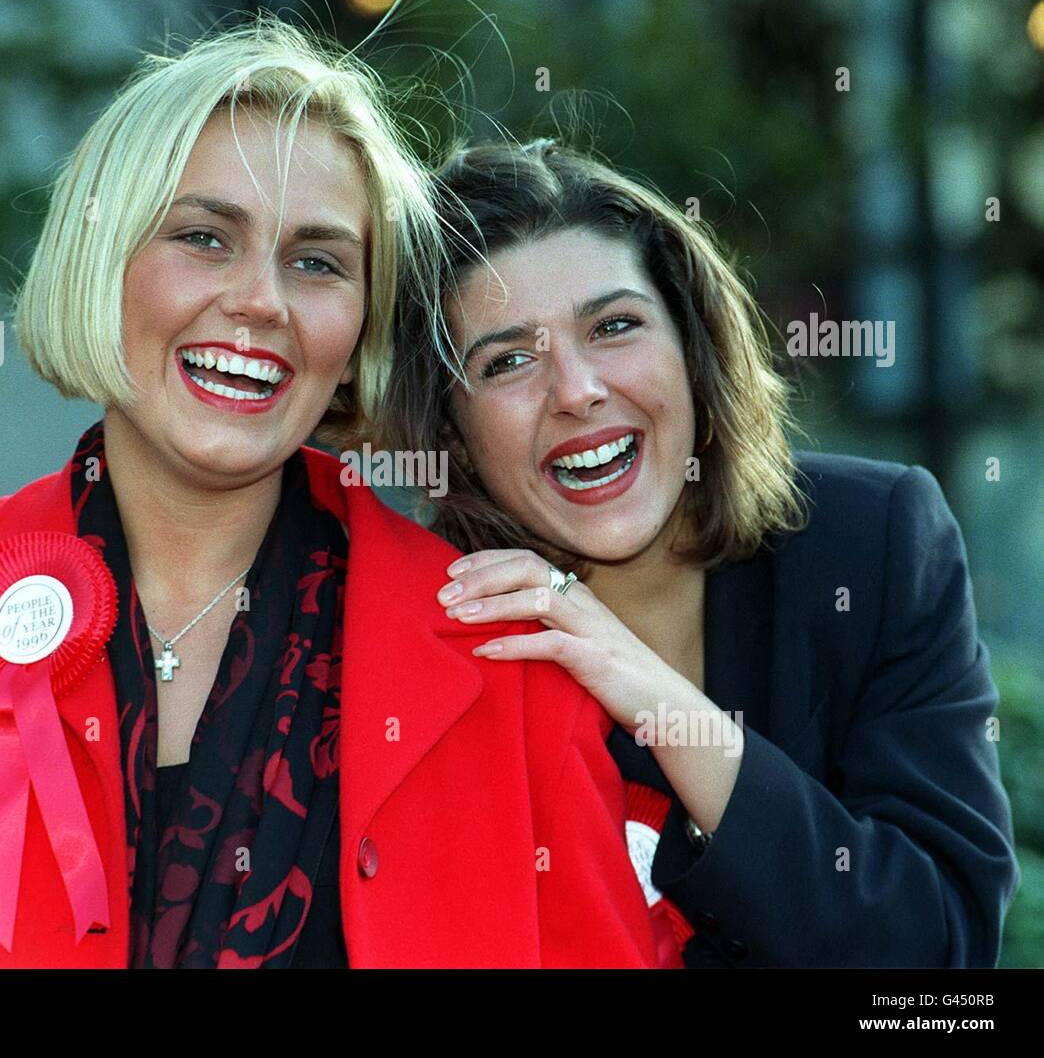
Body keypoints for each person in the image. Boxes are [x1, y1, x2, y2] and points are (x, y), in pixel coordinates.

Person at [0, 26, 662, 969]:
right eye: (203, 237)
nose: (261, 302)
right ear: (100, 255)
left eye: (317, 261)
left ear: (359, 326)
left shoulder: (505, 649)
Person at [381, 138, 1021, 967]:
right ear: (452, 433)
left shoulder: (874, 543)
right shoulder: (439, 640)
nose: (576, 391)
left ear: (693, 346)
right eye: (508, 361)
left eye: (614, 327)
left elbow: (936, 949)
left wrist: (654, 696)